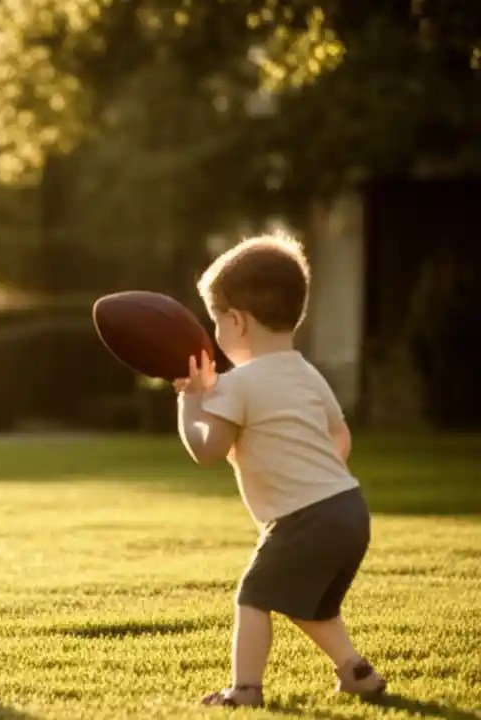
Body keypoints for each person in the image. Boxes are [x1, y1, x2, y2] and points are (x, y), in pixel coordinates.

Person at [172, 231, 386, 708]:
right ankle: (356, 671)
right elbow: (340, 435)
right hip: (349, 510)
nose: (217, 335)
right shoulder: (307, 373)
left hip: (301, 519)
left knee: (253, 596)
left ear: (237, 322)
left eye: (217, 324)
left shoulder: (238, 384)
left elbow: (208, 451)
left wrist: (191, 401)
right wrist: (318, 474)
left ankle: (244, 689)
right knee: (312, 603)